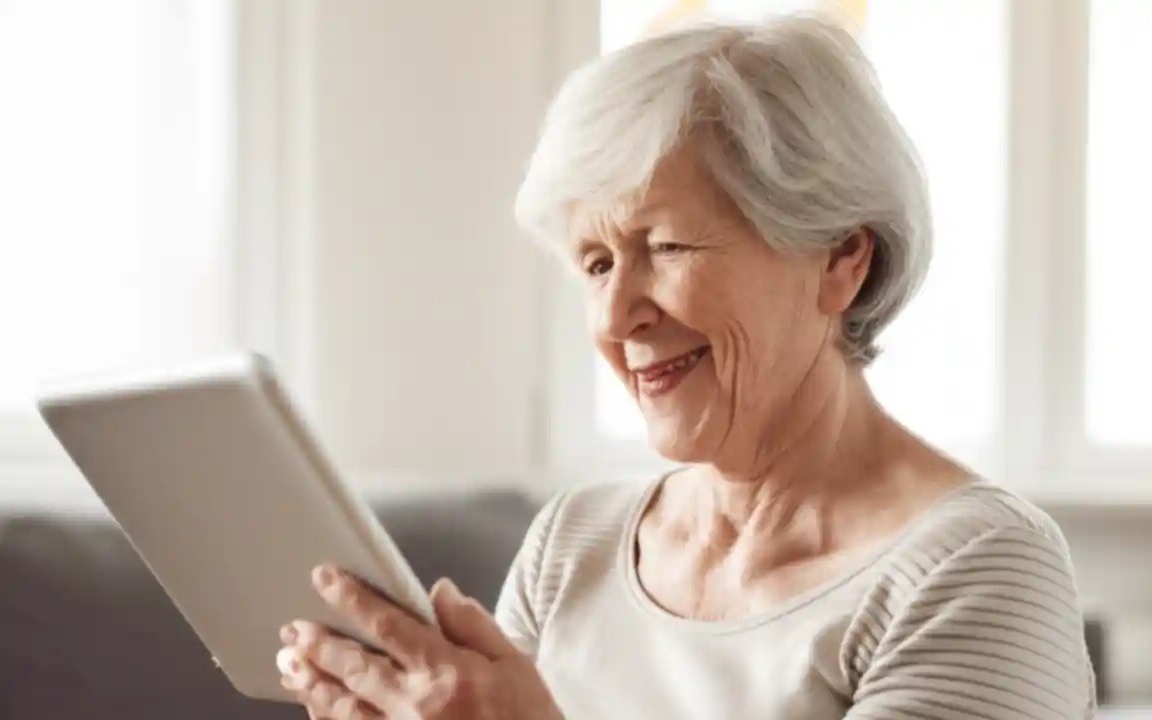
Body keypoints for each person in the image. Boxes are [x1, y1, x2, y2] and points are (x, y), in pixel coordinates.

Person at [275, 15, 1098, 719]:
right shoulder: (574, 545)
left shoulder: (976, 569)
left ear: (841, 257)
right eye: (595, 264)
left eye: (664, 247)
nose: (615, 314)